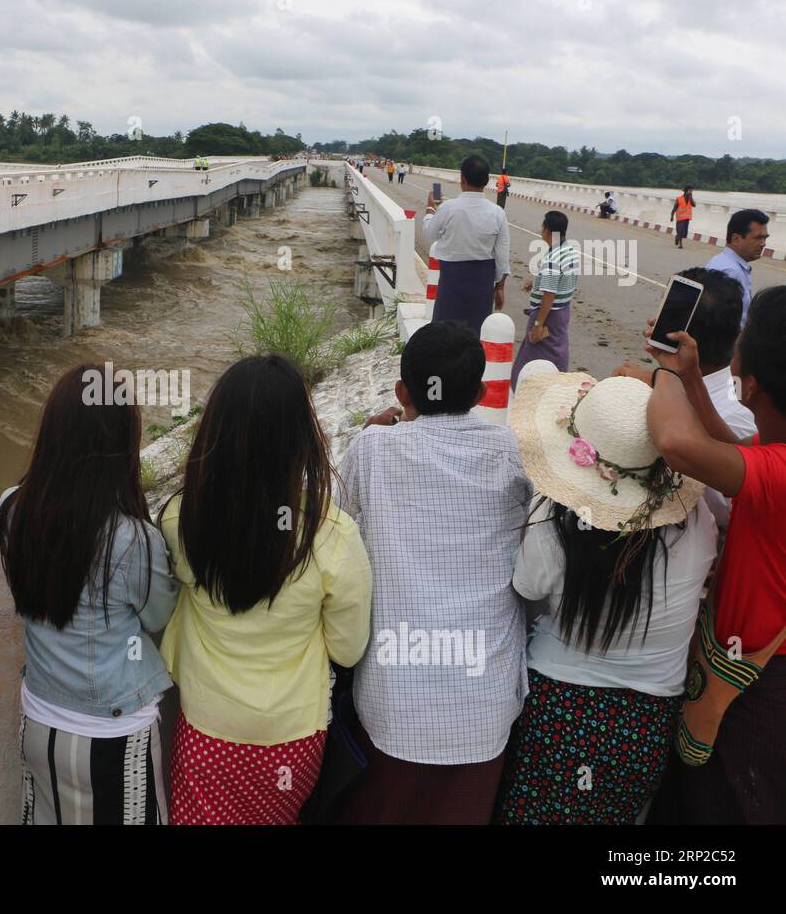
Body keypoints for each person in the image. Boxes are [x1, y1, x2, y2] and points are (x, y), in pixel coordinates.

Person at [158, 355, 373, 825]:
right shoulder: (333, 534)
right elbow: (348, 649)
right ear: (300, 439)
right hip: (292, 739)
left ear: (214, 433)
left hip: (206, 730)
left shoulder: (181, 519)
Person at [495, 372, 715, 823]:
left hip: (556, 708)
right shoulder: (698, 523)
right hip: (647, 721)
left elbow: (527, 586)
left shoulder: (553, 522)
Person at [336, 321, 532, 823]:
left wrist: (371, 435)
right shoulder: (512, 455)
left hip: (392, 701)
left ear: (402, 392)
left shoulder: (371, 450)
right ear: (482, 392)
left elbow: (338, 531)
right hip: (483, 706)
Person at [0, 365, 178, 825]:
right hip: (115, 734)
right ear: (120, 445)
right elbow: (158, 615)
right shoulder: (134, 540)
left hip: (39, 718)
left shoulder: (13, 509)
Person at [646, 286, 786, 823]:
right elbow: (727, 445)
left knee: (730, 808)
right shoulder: (772, 449)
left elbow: (679, 446)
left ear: (749, 386)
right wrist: (690, 381)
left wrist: (662, 370)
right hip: (748, 662)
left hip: (761, 679)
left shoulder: (776, 473)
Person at [614, 268, 756, 530]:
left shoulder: (735, 417)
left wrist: (667, 369)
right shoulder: (729, 402)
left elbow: (674, 443)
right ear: (736, 333)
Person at [424, 154, 511, 335]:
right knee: (476, 330)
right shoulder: (497, 213)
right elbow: (502, 254)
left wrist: (430, 210)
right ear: (486, 181)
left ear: (462, 178)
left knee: (445, 330)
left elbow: (430, 233)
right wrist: (500, 286)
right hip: (482, 281)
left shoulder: (448, 208)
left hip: (452, 279)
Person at [512, 211, 581, 386]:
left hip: (548, 315)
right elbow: (559, 282)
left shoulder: (553, 259)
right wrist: (535, 284)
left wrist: (538, 324)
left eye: (543, 227)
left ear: (548, 231)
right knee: (558, 351)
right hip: (563, 312)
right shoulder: (570, 251)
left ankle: (528, 387)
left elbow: (549, 296)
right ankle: (557, 383)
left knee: (534, 353)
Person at [705, 208, 769, 326]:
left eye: (765, 238)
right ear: (736, 239)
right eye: (758, 238)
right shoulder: (730, 272)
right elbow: (722, 325)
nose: (763, 243)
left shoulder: (724, 262)